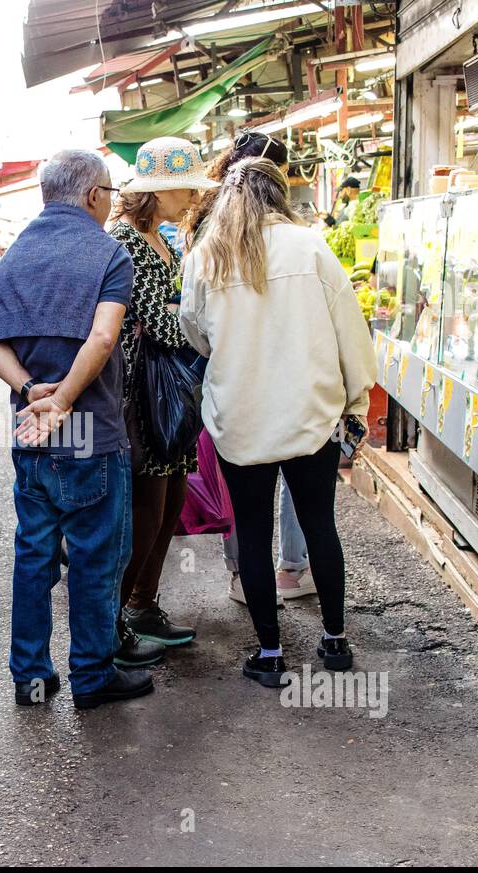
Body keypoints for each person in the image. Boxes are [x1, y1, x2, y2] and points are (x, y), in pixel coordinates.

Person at [179, 157, 375, 687]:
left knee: (253, 532)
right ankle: (334, 641)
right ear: (280, 194)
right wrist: (356, 400)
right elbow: (350, 332)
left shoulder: (205, 258)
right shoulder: (311, 247)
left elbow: (194, 335)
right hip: (311, 414)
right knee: (320, 526)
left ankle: (269, 654)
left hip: (240, 419)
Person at [0, 148, 153, 711]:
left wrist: (32, 393)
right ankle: (93, 675)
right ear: (95, 195)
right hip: (92, 433)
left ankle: (30, 674)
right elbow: (102, 340)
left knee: (34, 553)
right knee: (95, 555)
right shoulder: (108, 254)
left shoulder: (13, 255)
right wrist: (65, 400)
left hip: (32, 433)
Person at [181, 130, 314, 607]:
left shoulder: (203, 221)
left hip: (228, 365)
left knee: (239, 472)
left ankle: (245, 571)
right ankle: (290, 568)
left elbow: (193, 319)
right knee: (298, 462)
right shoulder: (295, 234)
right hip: (283, 362)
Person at [111, 137, 216, 661]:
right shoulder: (126, 240)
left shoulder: (160, 236)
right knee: (149, 504)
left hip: (169, 386)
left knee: (171, 497)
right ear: (163, 188)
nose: (194, 197)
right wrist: (202, 323)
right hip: (142, 389)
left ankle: (144, 603)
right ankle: (125, 611)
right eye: (188, 188)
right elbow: (158, 320)